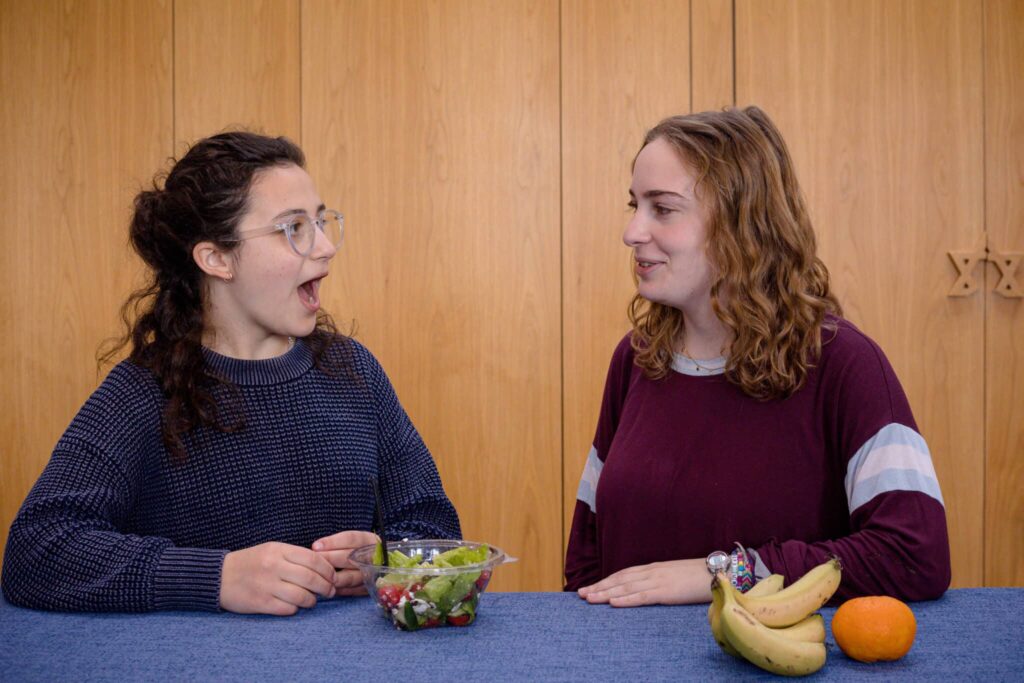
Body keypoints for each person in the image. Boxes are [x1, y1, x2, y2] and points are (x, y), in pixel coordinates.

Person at [2, 132, 460, 614]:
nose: (325, 247)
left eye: (321, 222)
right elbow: (36, 551)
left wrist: (382, 560)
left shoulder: (353, 371)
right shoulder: (142, 392)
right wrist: (215, 577)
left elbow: (434, 529)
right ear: (216, 258)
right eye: (293, 228)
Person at [565, 107, 950, 606]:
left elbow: (914, 554)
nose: (632, 232)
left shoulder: (845, 364)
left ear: (742, 225)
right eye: (634, 204)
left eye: (662, 208)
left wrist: (727, 574)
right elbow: (586, 556)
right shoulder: (635, 359)